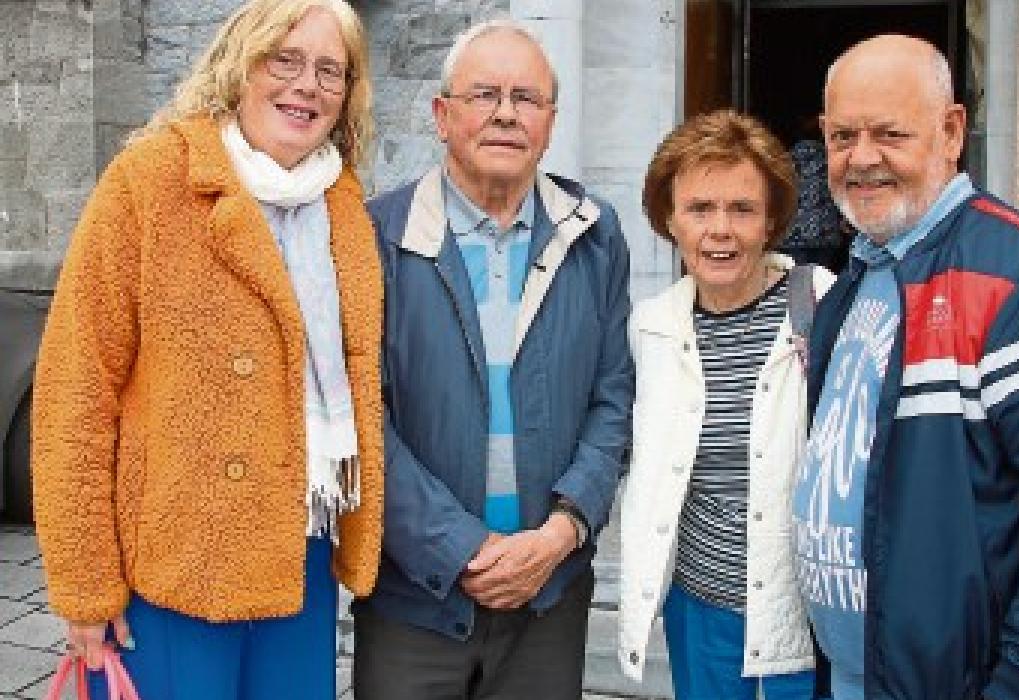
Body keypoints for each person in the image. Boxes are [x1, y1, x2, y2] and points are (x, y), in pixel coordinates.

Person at [30, 1, 383, 698]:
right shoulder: (150, 181)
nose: (305, 84)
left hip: (298, 549)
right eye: (283, 59)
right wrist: (84, 584)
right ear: (238, 63)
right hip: (170, 562)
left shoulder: (340, 202)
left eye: (329, 71)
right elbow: (75, 389)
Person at [793, 34, 1019, 700]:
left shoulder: (1018, 272)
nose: (862, 158)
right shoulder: (853, 285)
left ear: (952, 130)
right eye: (843, 136)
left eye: (889, 134)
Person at [352, 19, 633, 700]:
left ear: (550, 120)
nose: (506, 113)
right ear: (442, 115)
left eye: (526, 98)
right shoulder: (376, 237)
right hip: (414, 598)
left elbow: (613, 398)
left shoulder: (594, 234)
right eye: (485, 95)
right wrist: (459, 549)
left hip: (549, 599)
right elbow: (362, 417)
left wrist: (563, 532)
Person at [619, 109, 834, 700]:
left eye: (742, 209)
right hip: (701, 606)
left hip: (803, 608)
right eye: (700, 209)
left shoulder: (820, 307)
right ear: (670, 219)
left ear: (771, 222)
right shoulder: (651, 327)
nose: (721, 230)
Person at [776, 114, 852, 272]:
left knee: (793, 282)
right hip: (826, 231)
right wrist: (845, 217)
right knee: (820, 281)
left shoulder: (786, 160)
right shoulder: (832, 160)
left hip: (794, 233)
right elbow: (843, 189)